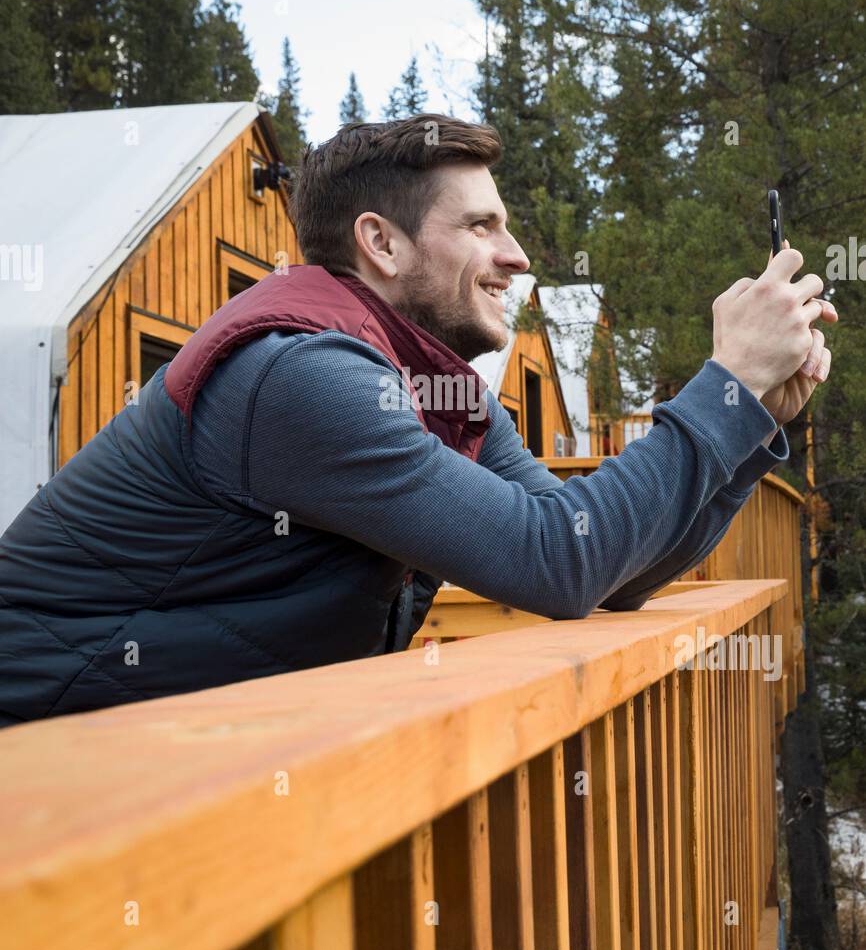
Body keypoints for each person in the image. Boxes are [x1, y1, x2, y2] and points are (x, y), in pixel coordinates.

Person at [0, 114, 836, 726]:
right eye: (481, 225)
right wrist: (723, 382)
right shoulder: (301, 378)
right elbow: (557, 562)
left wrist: (749, 416)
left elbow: (605, 569)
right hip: (42, 762)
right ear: (383, 245)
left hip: (156, 749)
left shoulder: (443, 394)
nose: (517, 257)